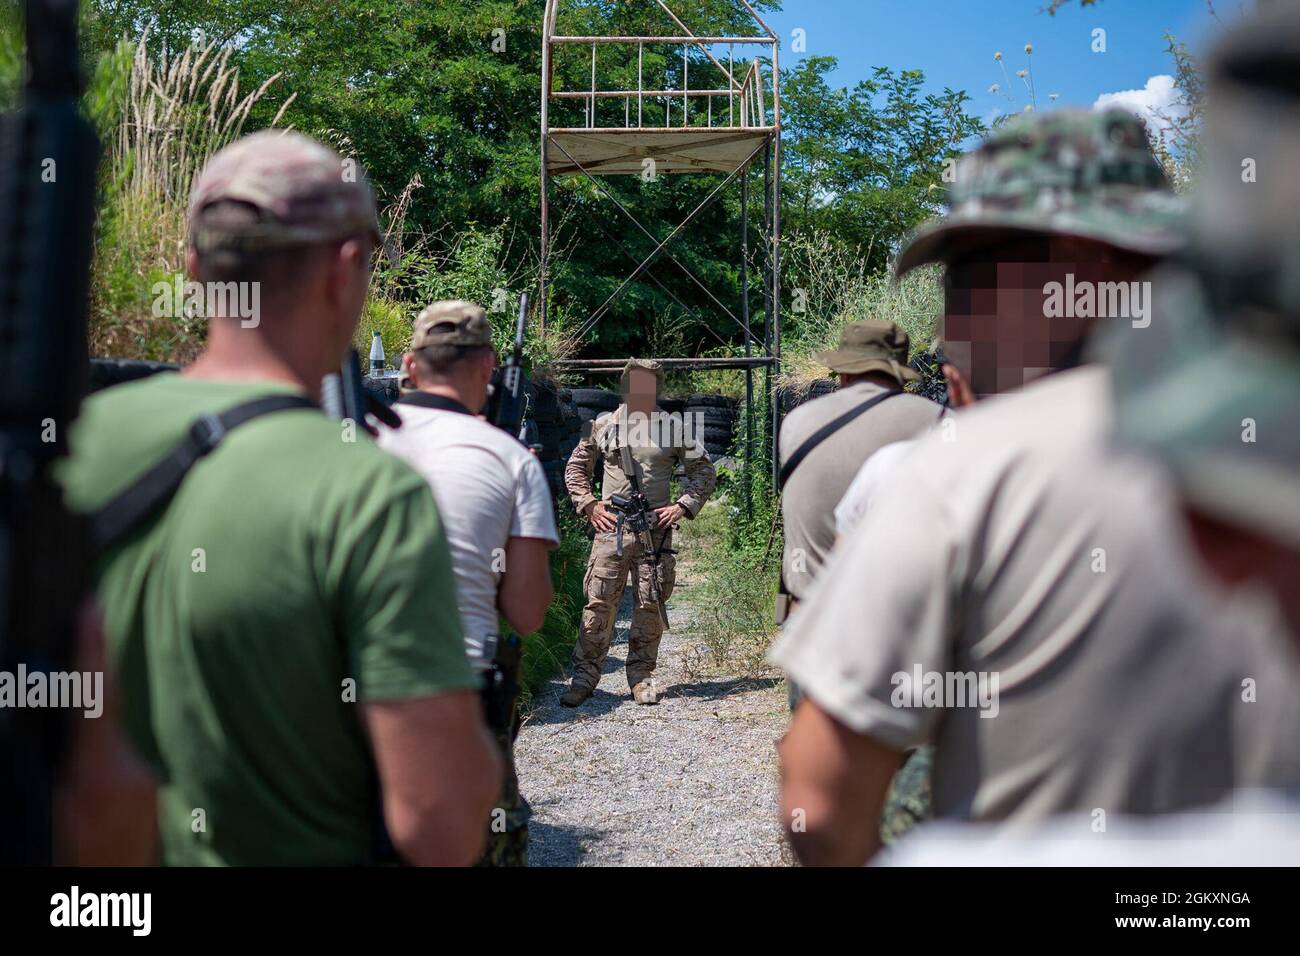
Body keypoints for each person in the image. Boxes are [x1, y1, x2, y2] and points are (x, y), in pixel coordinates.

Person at [770, 109, 1295, 866]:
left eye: (970, 277)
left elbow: (816, 803)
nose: (953, 319)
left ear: (1081, 266)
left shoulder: (963, 471)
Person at [59, 130, 500, 866]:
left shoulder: (70, 443)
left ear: (196, 269)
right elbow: (441, 827)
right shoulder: (370, 492)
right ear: (347, 268)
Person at [377, 300, 559, 867]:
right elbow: (528, 612)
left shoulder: (353, 441)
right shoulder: (509, 459)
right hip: (460, 696)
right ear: (487, 367)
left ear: (408, 365)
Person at [560, 359, 716, 706]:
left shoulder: (676, 428)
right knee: (598, 604)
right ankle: (584, 678)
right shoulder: (599, 424)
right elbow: (575, 467)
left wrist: (682, 506)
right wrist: (589, 505)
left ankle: (642, 677)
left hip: (654, 532)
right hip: (611, 528)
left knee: (650, 604)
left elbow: (704, 471)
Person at [777, 320, 945, 633]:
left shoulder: (796, 422)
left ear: (844, 372)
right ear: (899, 372)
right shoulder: (935, 420)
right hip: (900, 622)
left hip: (809, 621)